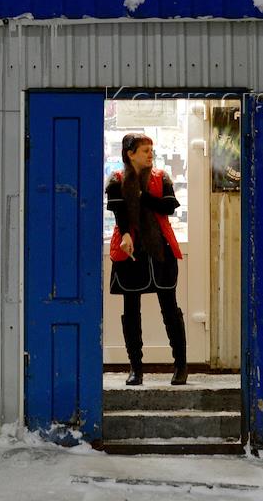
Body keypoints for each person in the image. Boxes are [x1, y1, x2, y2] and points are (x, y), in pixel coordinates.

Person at [106, 133, 187, 386]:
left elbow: (169, 207)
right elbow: (119, 212)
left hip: (159, 248)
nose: (150, 154)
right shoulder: (116, 181)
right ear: (130, 154)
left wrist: (143, 196)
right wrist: (127, 234)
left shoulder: (161, 177)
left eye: (151, 149)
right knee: (131, 311)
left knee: (170, 309)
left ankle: (181, 365)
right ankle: (136, 368)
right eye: (144, 150)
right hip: (131, 250)